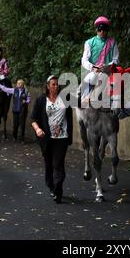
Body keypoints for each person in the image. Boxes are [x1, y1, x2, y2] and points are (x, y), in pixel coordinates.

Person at [31, 75, 73, 204]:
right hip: (46, 139)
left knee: (58, 164)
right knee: (48, 165)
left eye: (57, 84)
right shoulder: (41, 100)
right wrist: (38, 129)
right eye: (53, 84)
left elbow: (80, 103)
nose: (56, 86)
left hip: (62, 137)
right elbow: (33, 118)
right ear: (48, 86)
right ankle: (51, 186)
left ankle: (58, 191)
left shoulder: (66, 99)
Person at [80, 16, 119, 101]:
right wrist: (93, 67)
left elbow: (116, 59)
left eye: (104, 30)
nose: (102, 32)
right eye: (99, 29)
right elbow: (84, 60)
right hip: (93, 71)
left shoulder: (113, 42)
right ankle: (83, 99)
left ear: (107, 30)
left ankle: (121, 110)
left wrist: (106, 66)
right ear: (96, 29)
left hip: (108, 71)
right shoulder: (89, 42)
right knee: (92, 77)